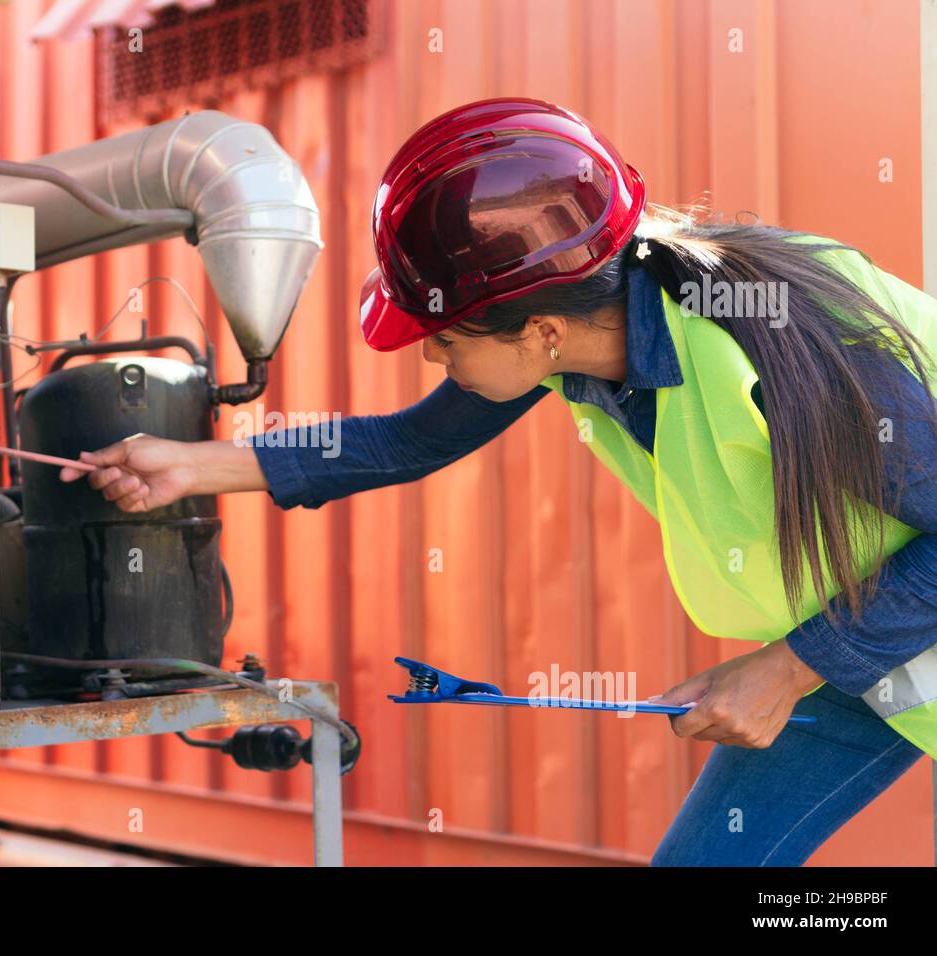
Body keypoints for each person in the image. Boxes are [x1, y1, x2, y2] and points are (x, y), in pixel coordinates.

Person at [59, 97, 937, 866]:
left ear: (542, 334)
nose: (434, 358)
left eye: (443, 340)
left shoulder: (783, 354)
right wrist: (191, 466)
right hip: (850, 642)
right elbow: (411, 442)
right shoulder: (592, 324)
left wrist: (782, 673)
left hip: (872, 630)